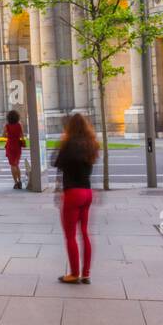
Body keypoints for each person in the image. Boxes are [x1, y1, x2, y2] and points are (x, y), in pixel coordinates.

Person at [53, 113, 99, 284]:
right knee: (85, 233)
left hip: (72, 193)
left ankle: (73, 274)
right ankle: (86, 273)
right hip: (87, 193)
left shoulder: (68, 144)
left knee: (70, 235)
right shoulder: (91, 144)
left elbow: (56, 163)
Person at [4, 109, 26, 190]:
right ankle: (20, 181)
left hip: (10, 145)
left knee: (12, 165)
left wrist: (9, 135)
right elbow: (22, 136)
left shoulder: (7, 126)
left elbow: (4, 135)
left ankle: (16, 182)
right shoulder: (19, 125)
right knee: (16, 164)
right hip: (17, 145)